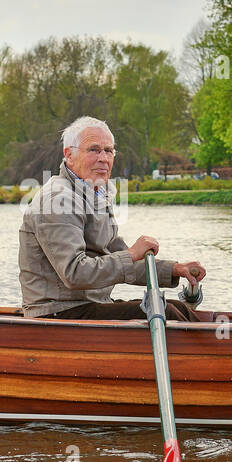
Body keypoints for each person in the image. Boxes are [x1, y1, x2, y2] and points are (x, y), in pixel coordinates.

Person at [19, 116, 206, 320]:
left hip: (91, 306)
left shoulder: (96, 193)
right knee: (167, 313)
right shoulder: (57, 199)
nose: (104, 158)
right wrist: (132, 253)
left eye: (108, 150)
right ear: (69, 155)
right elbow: (74, 273)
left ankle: (216, 349)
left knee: (174, 307)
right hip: (58, 313)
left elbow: (120, 258)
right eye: (94, 149)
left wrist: (174, 269)